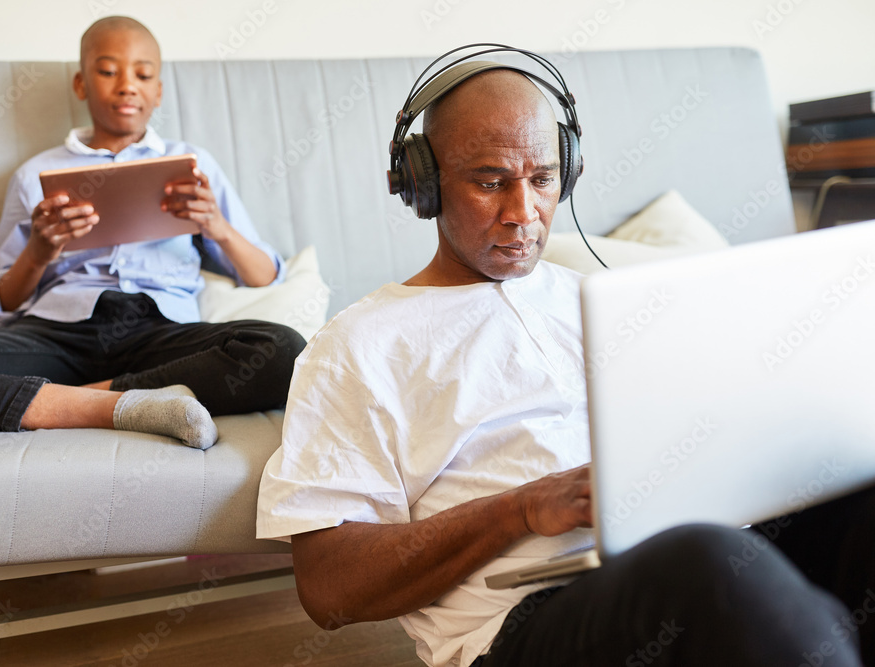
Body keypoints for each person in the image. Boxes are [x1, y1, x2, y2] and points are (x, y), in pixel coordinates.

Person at [256, 67, 875, 666]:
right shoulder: (357, 346)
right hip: (525, 622)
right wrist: (520, 508)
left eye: (543, 177)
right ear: (423, 184)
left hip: (678, 547)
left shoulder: (601, 299)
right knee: (705, 568)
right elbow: (330, 590)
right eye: (491, 181)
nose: (524, 212)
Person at [0, 16, 305, 448]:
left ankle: (76, 399)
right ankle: (102, 406)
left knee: (282, 349)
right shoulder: (34, 175)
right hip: (56, 335)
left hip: (160, 332)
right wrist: (40, 251)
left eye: (143, 74)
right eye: (107, 70)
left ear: (158, 91)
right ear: (81, 85)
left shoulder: (194, 164)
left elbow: (263, 275)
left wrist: (217, 226)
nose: (126, 85)